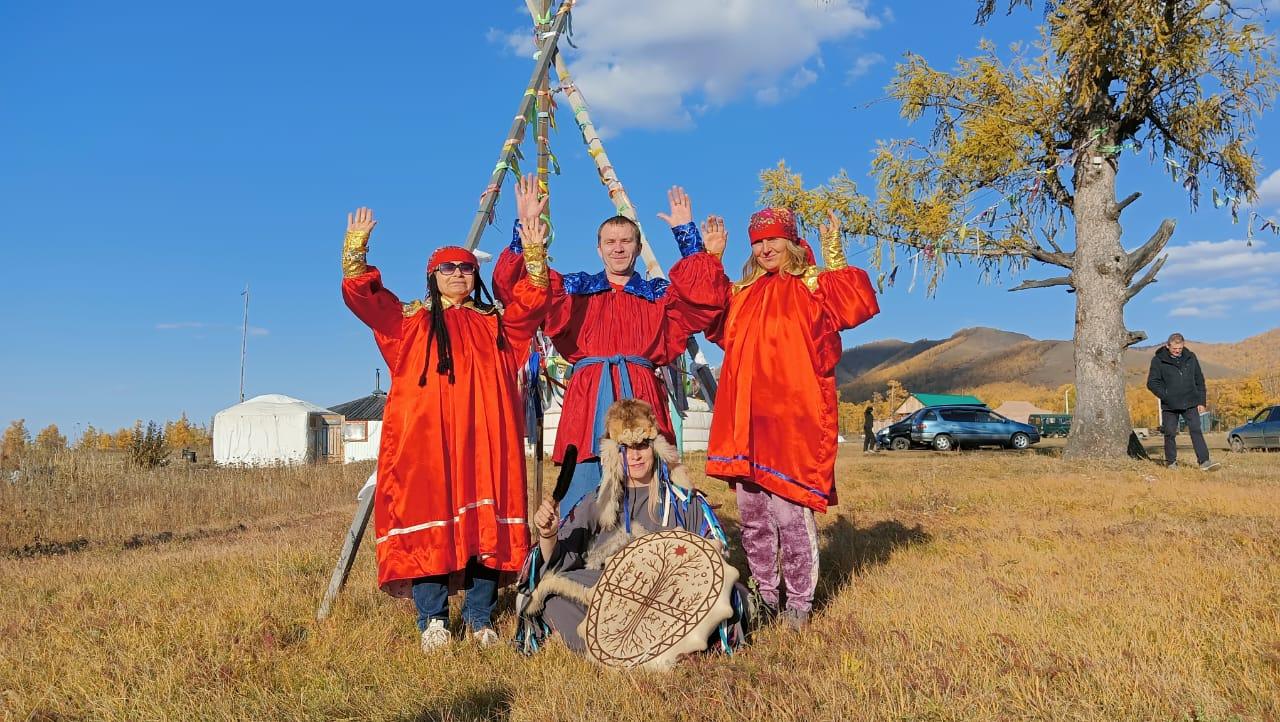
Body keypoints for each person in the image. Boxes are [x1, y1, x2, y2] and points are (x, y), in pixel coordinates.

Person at [341, 206, 552, 651]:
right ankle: (432, 620)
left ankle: (479, 619)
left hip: (484, 442)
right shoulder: (408, 321)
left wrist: (534, 251)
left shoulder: (496, 324)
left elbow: (534, 303)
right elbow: (364, 299)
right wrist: (356, 250)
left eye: (467, 268)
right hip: (426, 445)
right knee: (430, 527)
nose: (458, 274)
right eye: (448, 268)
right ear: (432, 275)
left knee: (483, 528)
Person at [493, 177, 728, 512]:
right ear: (598, 248)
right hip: (589, 399)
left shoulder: (659, 295)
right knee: (586, 495)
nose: (618, 248)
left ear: (637, 246)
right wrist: (526, 228)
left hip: (642, 392)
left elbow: (706, 301)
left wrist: (688, 238)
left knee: (649, 491)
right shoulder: (575, 290)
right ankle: (583, 555)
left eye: (626, 241)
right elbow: (519, 291)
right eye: (610, 241)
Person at [704, 207, 879, 629]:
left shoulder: (814, 284)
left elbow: (853, 305)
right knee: (752, 515)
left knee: (790, 514)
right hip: (746, 419)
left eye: (773, 240)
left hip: (794, 419)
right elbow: (708, 313)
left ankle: (798, 602)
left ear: (791, 241)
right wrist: (711, 257)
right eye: (758, 243)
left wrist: (835, 251)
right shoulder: (743, 292)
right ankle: (766, 594)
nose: (765, 249)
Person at [516, 399, 743, 656]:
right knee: (553, 597)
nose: (635, 455)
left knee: (726, 594)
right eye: (626, 447)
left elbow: (715, 553)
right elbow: (559, 559)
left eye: (642, 446)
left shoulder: (684, 501)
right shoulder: (597, 502)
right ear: (614, 453)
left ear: (655, 447)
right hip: (613, 596)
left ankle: (627, 649)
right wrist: (548, 533)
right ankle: (620, 650)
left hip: (668, 598)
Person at [1146, 332, 1218, 471]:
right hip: (1169, 405)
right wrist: (1165, 394)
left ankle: (1204, 462)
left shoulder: (1191, 357)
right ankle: (1171, 463)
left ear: (1183, 345)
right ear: (1168, 346)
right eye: (1174, 349)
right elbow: (1152, 382)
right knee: (1170, 433)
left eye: (1180, 348)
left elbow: (1199, 380)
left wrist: (1201, 401)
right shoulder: (1158, 360)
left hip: (1190, 402)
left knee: (1196, 430)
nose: (1178, 351)